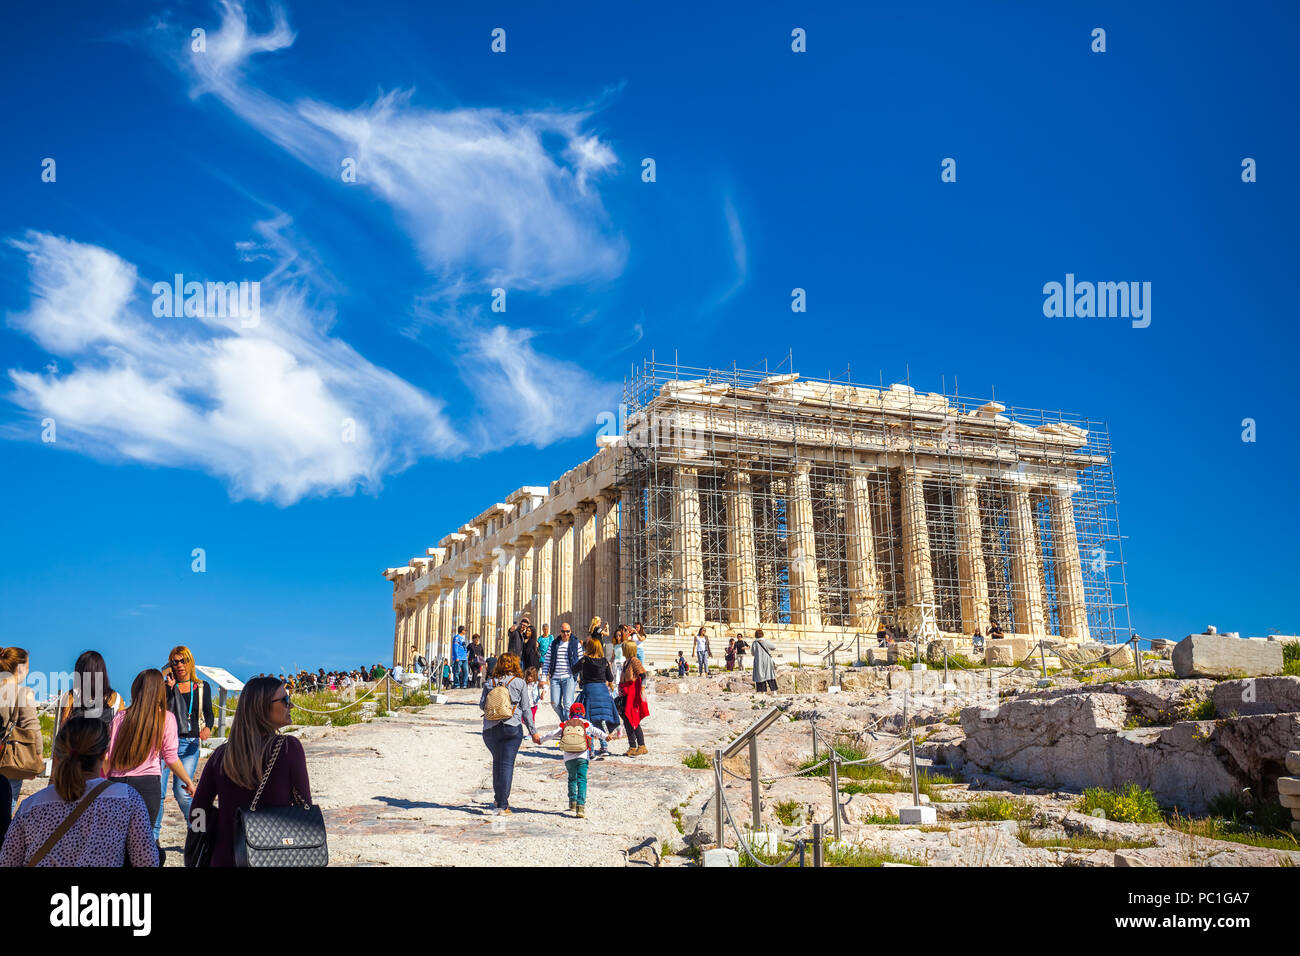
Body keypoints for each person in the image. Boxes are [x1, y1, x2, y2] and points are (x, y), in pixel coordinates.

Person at [0, 717, 158, 867]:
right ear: (104, 753)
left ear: (58, 753)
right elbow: (147, 861)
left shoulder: (30, 806)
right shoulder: (127, 799)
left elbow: (8, 861)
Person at [189, 677, 312, 867]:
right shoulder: (289, 748)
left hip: (226, 858)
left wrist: (205, 834)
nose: (292, 705)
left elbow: (197, 810)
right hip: (275, 856)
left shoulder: (221, 755)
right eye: (285, 700)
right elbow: (305, 807)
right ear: (263, 707)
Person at [105, 669, 195, 852]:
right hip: (147, 785)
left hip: (116, 784)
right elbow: (170, 758)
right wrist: (188, 782)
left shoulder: (120, 717)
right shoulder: (166, 719)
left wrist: (105, 782)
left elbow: (109, 756)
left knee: (115, 843)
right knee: (141, 844)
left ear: (135, 689)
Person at [159, 645, 213, 843]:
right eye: (175, 661)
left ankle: (199, 831)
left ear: (190, 662)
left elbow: (209, 713)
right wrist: (167, 684)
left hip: (189, 743)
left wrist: (208, 728)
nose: (180, 665)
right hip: (165, 743)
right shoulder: (165, 687)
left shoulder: (201, 687)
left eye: (183, 661)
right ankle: (153, 839)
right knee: (159, 794)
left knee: (183, 793)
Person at [479, 654, 540, 815]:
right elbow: (526, 710)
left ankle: (498, 799)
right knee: (506, 764)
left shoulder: (489, 683)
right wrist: (533, 732)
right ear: (515, 665)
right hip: (511, 727)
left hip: (490, 729)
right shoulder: (519, 683)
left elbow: (481, 705)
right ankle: (502, 804)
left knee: (497, 762)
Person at [538, 702, 616, 818]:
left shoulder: (565, 723)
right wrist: (606, 737)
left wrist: (541, 740)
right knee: (582, 780)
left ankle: (572, 803)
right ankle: (580, 807)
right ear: (583, 713)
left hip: (568, 758)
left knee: (572, 778)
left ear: (570, 713)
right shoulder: (585, 723)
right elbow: (596, 731)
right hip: (583, 756)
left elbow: (552, 734)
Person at [0, 647, 43, 848]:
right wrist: (37, 760)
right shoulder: (22, 693)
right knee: (6, 808)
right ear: (21, 667)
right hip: (9, 763)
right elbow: (32, 730)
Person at [56, 649, 124, 735]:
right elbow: (120, 732)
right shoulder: (116, 698)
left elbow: (63, 731)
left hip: (77, 746)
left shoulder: (71, 696)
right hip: (105, 747)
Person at [575, 636, 618, 758]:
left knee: (589, 722)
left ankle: (591, 750)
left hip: (589, 691)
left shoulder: (584, 660)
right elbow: (610, 678)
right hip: (603, 693)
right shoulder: (604, 661)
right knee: (601, 720)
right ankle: (604, 747)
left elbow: (573, 669)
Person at [617, 640, 650, 756]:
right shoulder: (626, 662)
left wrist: (642, 689)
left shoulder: (634, 661)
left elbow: (643, 675)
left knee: (633, 719)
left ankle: (642, 746)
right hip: (625, 694)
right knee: (627, 720)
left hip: (633, 694)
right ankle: (632, 746)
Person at [545, 622, 582, 723]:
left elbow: (581, 660)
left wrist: (578, 674)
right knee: (554, 703)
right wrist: (543, 678)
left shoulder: (576, 643)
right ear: (560, 632)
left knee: (567, 704)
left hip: (569, 677)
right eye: (563, 631)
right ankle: (565, 722)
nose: (565, 634)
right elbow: (547, 660)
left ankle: (567, 726)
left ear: (571, 631)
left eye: (568, 631)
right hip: (555, 678)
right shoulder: (554, 644)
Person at [752, 629, 778, 693]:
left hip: (758, 661)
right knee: (769, 675)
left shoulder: (754, 643)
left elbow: (753, 653)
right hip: (767, 660)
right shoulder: (765, 641)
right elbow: (774, 647)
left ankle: (762, 691)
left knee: (760, 676)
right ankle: (774, 691)